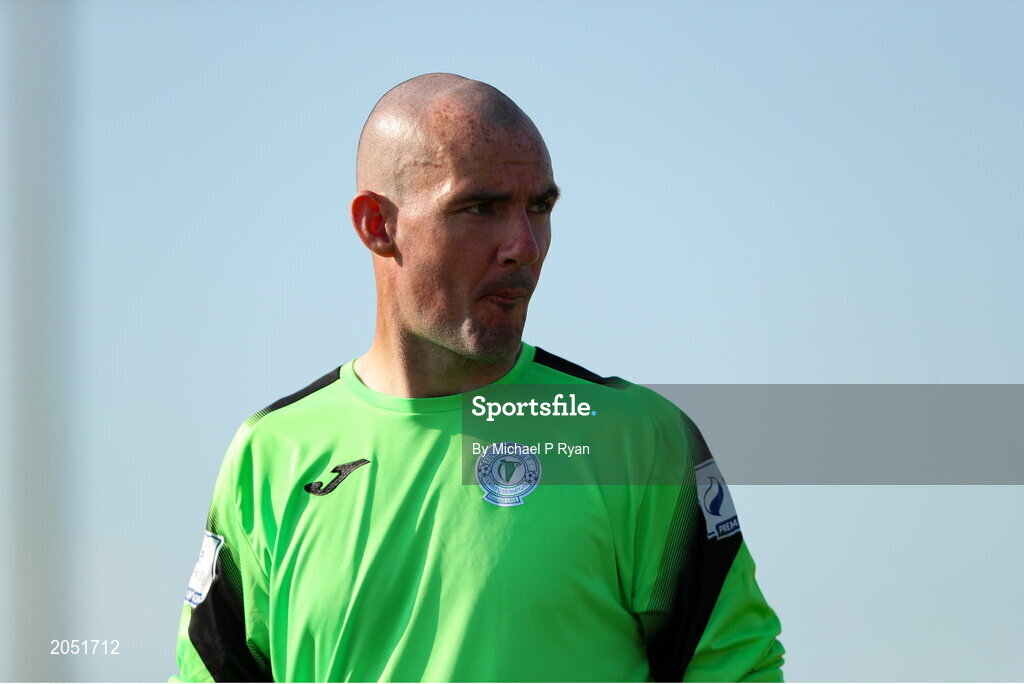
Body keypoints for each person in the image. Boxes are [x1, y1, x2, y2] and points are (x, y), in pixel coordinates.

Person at [172, 72, 785, 682]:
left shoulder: (637, 441)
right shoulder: (271, 452)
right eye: (481, 208)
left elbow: (739, 670)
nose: (524, 244)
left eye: (539, 207)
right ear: (377, 226)